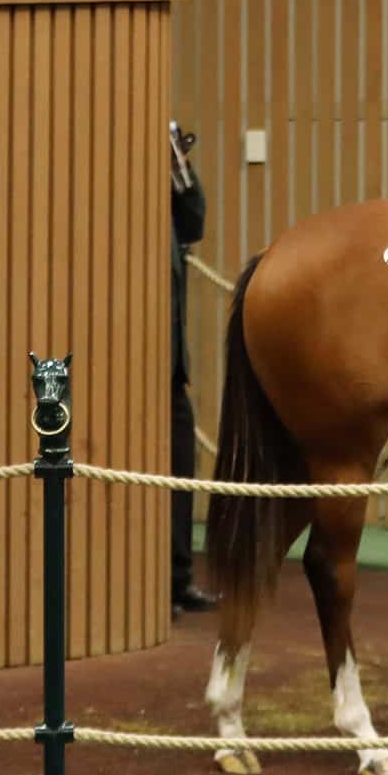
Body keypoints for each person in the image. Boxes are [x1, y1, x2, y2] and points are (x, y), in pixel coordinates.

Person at [168, 124, 218, 614]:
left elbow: (194, 222)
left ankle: (177, 576)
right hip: (136, 362)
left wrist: (180, 170)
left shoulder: (166, 186)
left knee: (181, 463)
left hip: (169, 363)